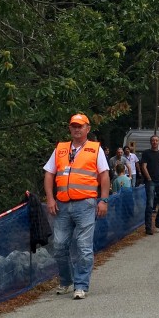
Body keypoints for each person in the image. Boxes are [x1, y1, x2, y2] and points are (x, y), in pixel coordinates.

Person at [43, 113, 110, 300]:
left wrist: (103, 200)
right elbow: (49, 174)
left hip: (86, 205)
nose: (77, 129)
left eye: (80, 126)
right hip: (62, 206)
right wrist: (50, 198)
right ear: (70, 128)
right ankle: (66, 281)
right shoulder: (60, 149)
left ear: (87, 129)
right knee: (59, 246)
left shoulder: (96, 150)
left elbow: (104, 176)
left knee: (84, 246)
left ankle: (80, 285)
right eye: (74, 126)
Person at [140, 135, 159, 234]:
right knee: (150, 205)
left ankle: (158, 223)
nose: (155, 142)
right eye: (153, 140)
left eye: (156, 140)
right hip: (150, 182)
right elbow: (144, 166)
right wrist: (149, 178)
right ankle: (148, 227)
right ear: (150, 142)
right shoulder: (146, 153)